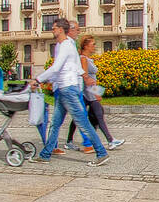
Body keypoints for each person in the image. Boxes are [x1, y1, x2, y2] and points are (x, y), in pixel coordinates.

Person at [33, 18, 107, 164]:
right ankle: (45, 154)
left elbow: (56, 67)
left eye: (54, 28)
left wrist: (37, 80)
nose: (52, 30)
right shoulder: (62, 45)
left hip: (68, 89)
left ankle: (101, 152)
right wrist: (85, 77)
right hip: (62, 89)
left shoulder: (66, 45)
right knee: (55, 123)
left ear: (61, 29)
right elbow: (75, 66)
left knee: (83, 123)